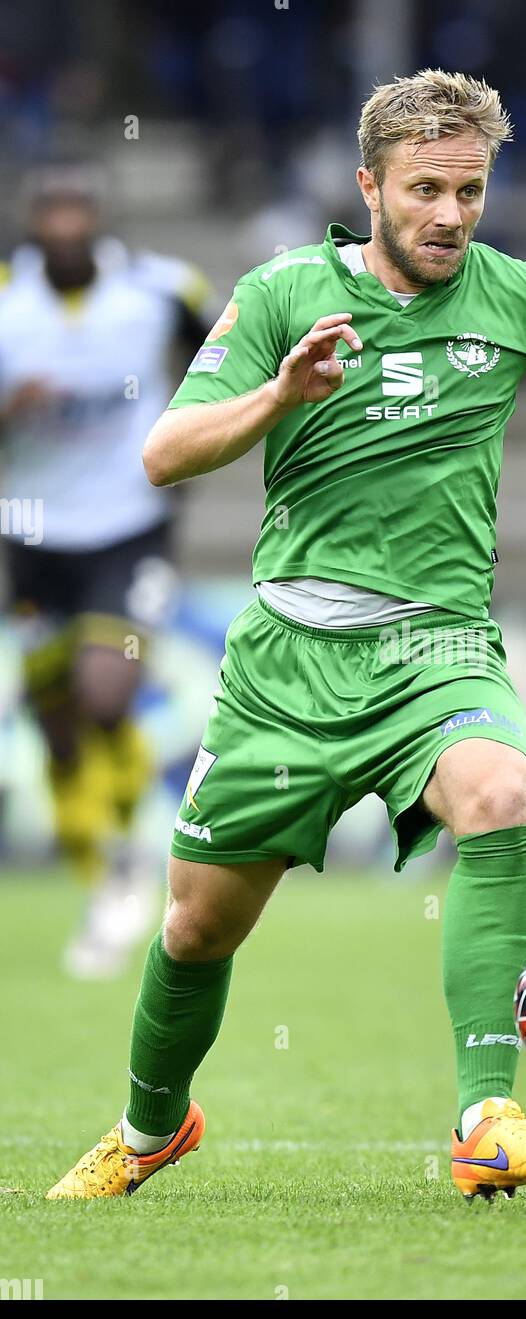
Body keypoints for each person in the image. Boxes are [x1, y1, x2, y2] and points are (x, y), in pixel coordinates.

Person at [47, 71, 526, 1202]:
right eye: (423, 190)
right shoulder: (282, 293)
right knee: (195, 928)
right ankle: (150, 1125)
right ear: (369, 185)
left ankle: (484, 1118)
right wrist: (279, 396)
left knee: (496, 793)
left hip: (438, 649)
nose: (449, 216)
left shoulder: (523, 298)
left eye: (468, 190)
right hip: (285, 666)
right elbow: (164, 454)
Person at [0, 163, 212, 978]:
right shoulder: (9, 302)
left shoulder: (161, 290)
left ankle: (134, 861)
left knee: (104, 691)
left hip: (130, 529)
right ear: (31, 219)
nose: (63, 223)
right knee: (55, 724)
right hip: (31, 538)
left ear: (97, 217)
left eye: (76, 208)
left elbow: (228, 357)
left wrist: (191, 444)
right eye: (49, 209)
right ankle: (108, 879)